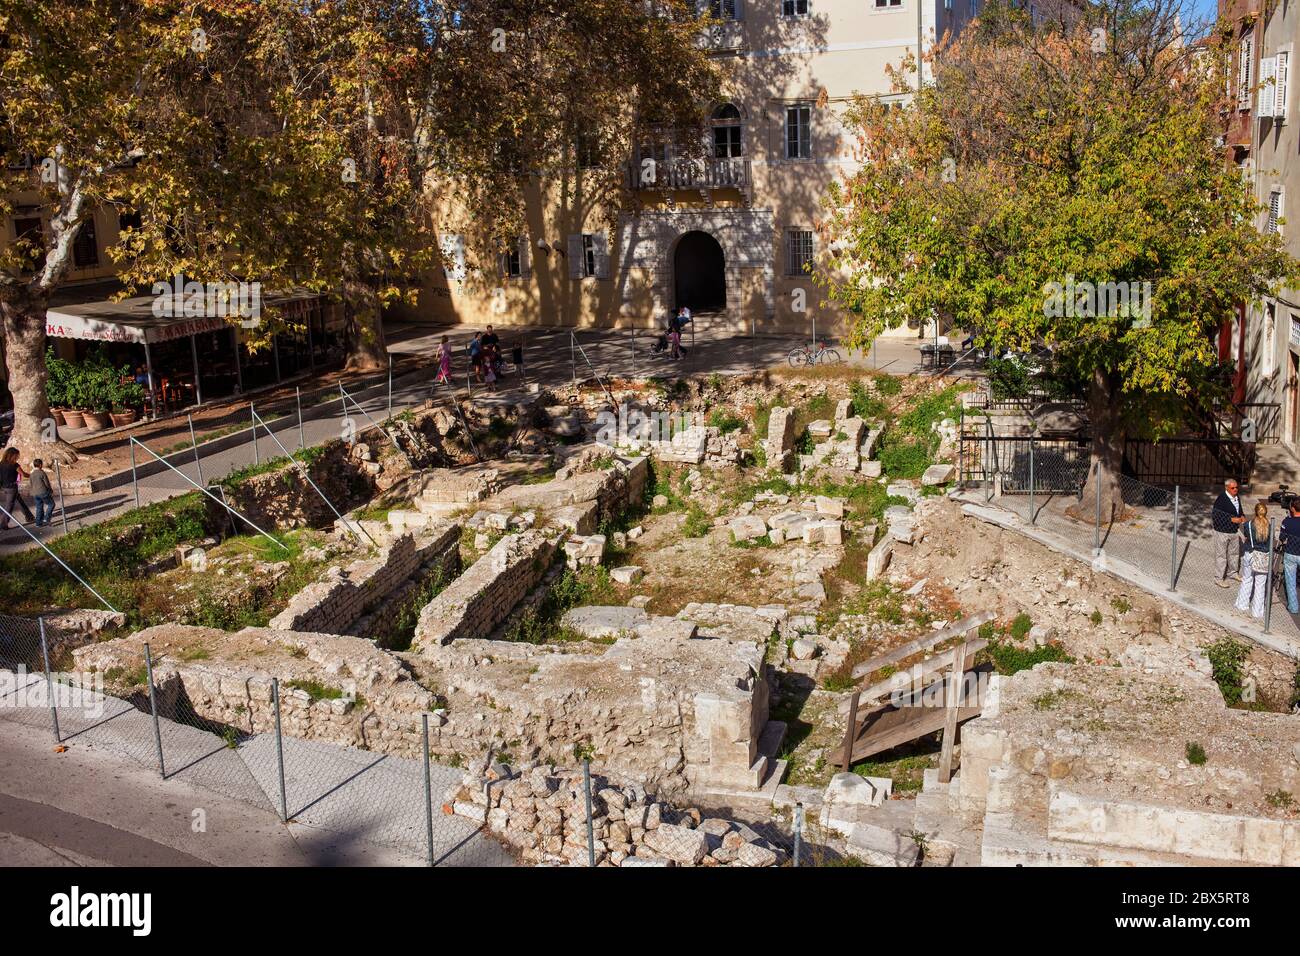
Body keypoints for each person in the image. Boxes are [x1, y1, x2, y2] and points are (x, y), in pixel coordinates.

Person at [1236, 502, 1273, 620]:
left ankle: (1242, 604)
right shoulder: (1270, 526)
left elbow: (1246, 536)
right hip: (1263, 557)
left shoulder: (1248, 524)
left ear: (1255, 511)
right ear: (1266, 512)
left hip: (1250, 554)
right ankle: (1257, 611)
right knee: (1260, 585)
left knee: (1247, 579)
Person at [1211, 477, 1246, 587]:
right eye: (1233, 488)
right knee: (1221, 556)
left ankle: (1233, 573)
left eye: (1236, 487)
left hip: (1234, 531)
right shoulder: (1221, 499)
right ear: (1227, 488)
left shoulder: (1236, 498)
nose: (1235, 489)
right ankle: (1219, 578)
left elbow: (1239, 510)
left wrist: (1242, 516)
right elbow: (1215, 515)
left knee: (1234, 554)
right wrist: (1231, 519)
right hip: (1222, 532)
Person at [0, 447, 35, 530]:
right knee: (9, 506)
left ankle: (29, 516)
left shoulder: (1, 464)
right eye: (17, 455)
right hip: (12, 488)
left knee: (19, 500)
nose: (18, 457)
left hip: (4, 487)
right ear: (12, 455)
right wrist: (33, 475)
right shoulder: (14, 465)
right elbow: (24, 474)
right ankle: (3, 524)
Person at [1280, 498, 1300, 614]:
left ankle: (1293, 607)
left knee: (1290, 581)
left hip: (1291, 553)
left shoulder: (1287, 521)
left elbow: (1282, 538)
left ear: (1292, 508)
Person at [28, 457, 54, 528]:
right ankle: (47, 518)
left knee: (39, 507)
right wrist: (50, 490)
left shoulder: (32, 474)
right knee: (51, 504)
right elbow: (47, 483)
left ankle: (38, 523)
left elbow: (31, 484)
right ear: (40, 465)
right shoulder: (42, 473)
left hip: (35, 493)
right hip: (43, 492)